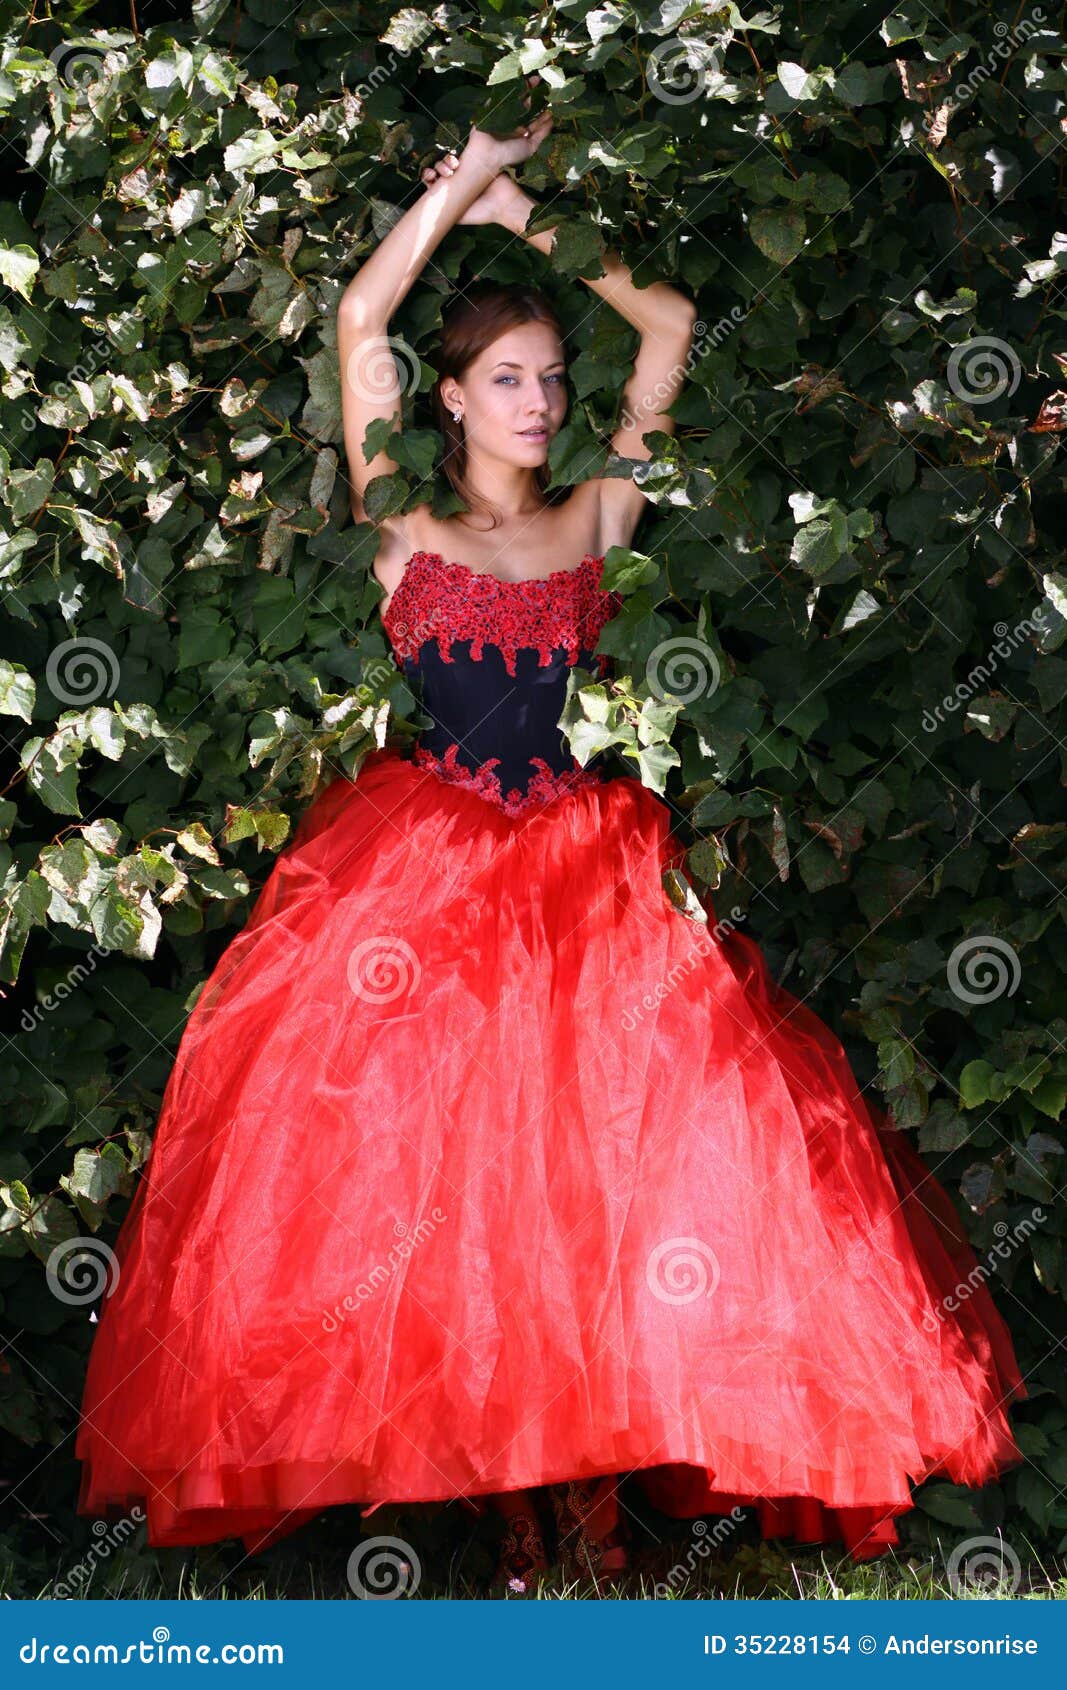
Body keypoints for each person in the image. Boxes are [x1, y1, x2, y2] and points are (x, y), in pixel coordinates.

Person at [75, 91, 1026, 1596]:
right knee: (436, 1182)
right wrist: (458, 193)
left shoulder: (591, 518)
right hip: (424, 874)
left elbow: (672, 330)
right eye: (505, 378)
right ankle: (505, 1504)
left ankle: (576, 1492)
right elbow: (359, 316)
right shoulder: (404, 523)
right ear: (449, 400)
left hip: (583, 877)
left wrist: (535, 227)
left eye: (545, 377)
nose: (535, 399)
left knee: (605, 1184)